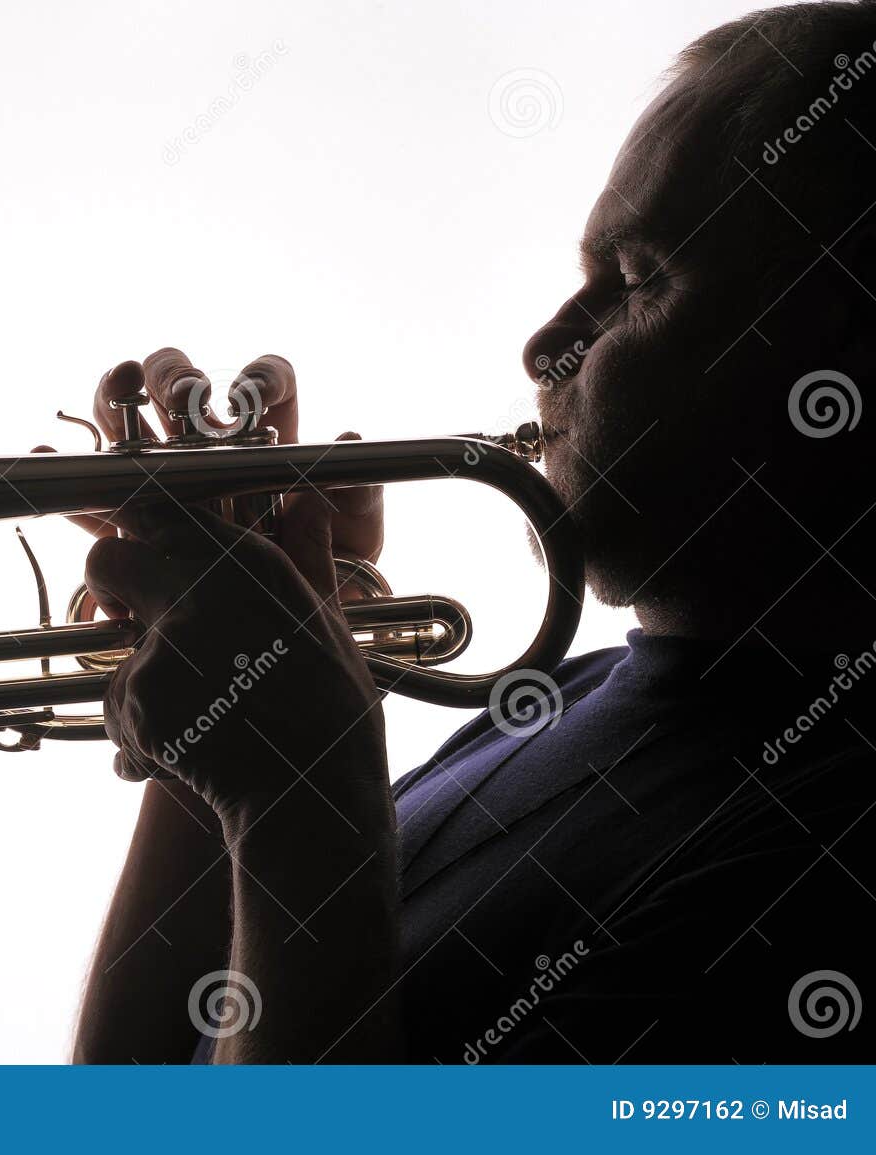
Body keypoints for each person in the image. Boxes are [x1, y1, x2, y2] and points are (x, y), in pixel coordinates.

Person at [71, 1, 876, 1064]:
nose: (544, 345)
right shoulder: (560, 708)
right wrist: (226, 715)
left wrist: (298, 796)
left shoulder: (833, 842)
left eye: (635, 280)